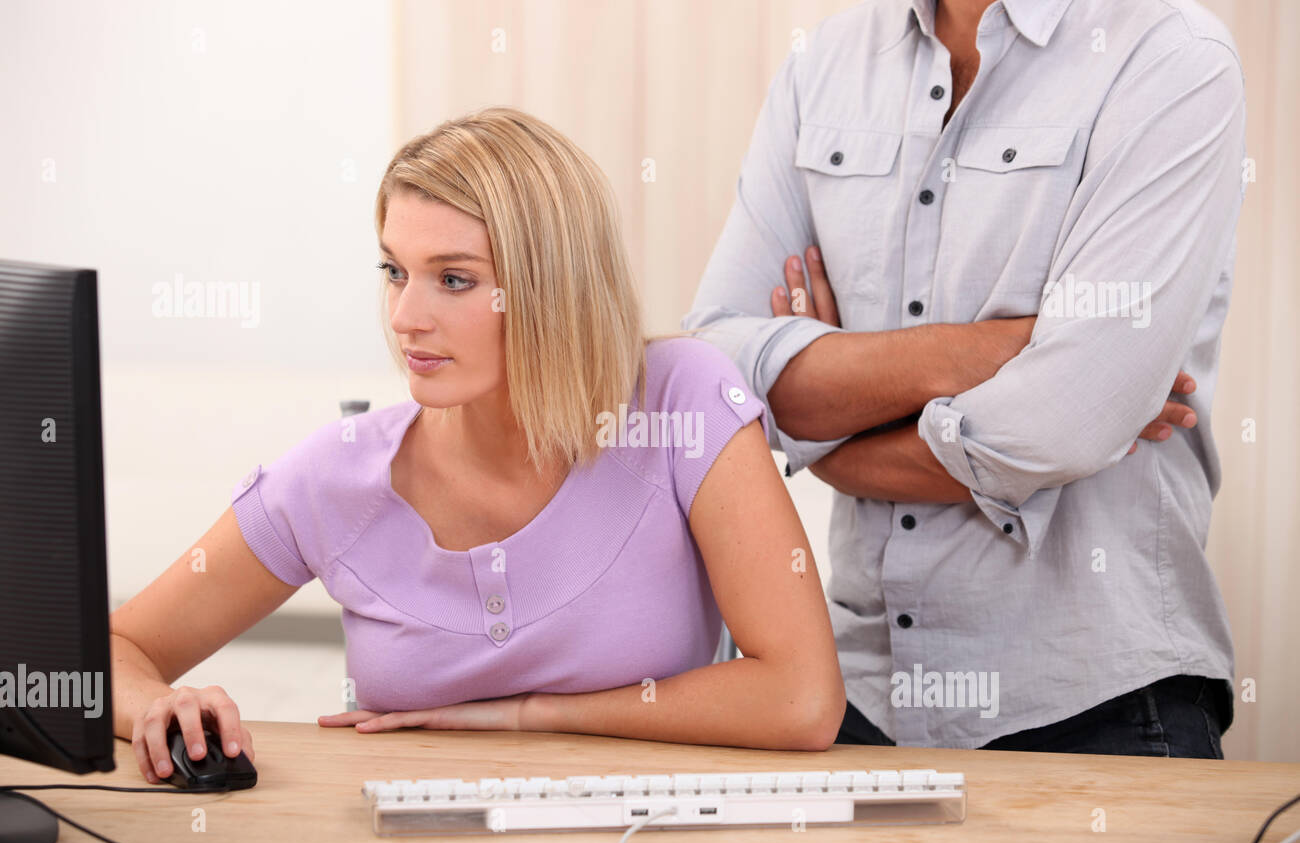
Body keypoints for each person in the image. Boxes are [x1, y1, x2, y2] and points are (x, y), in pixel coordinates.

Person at [109, 107, 848, 783]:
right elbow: (100, 658)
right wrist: (157, 706)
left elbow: (803, 698)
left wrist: (535, 713)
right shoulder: (336, 475)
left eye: (453, 279)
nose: (404, 316)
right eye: (395, 271)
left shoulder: (680, 401)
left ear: (552, 287)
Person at [684, 0, 1244, 756]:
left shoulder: (1171, 54)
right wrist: (989, 350)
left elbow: (1063, 419)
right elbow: (715, 368)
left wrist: (825, 436)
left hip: (1101, 708)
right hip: (856, 702)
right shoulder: (825, 63)